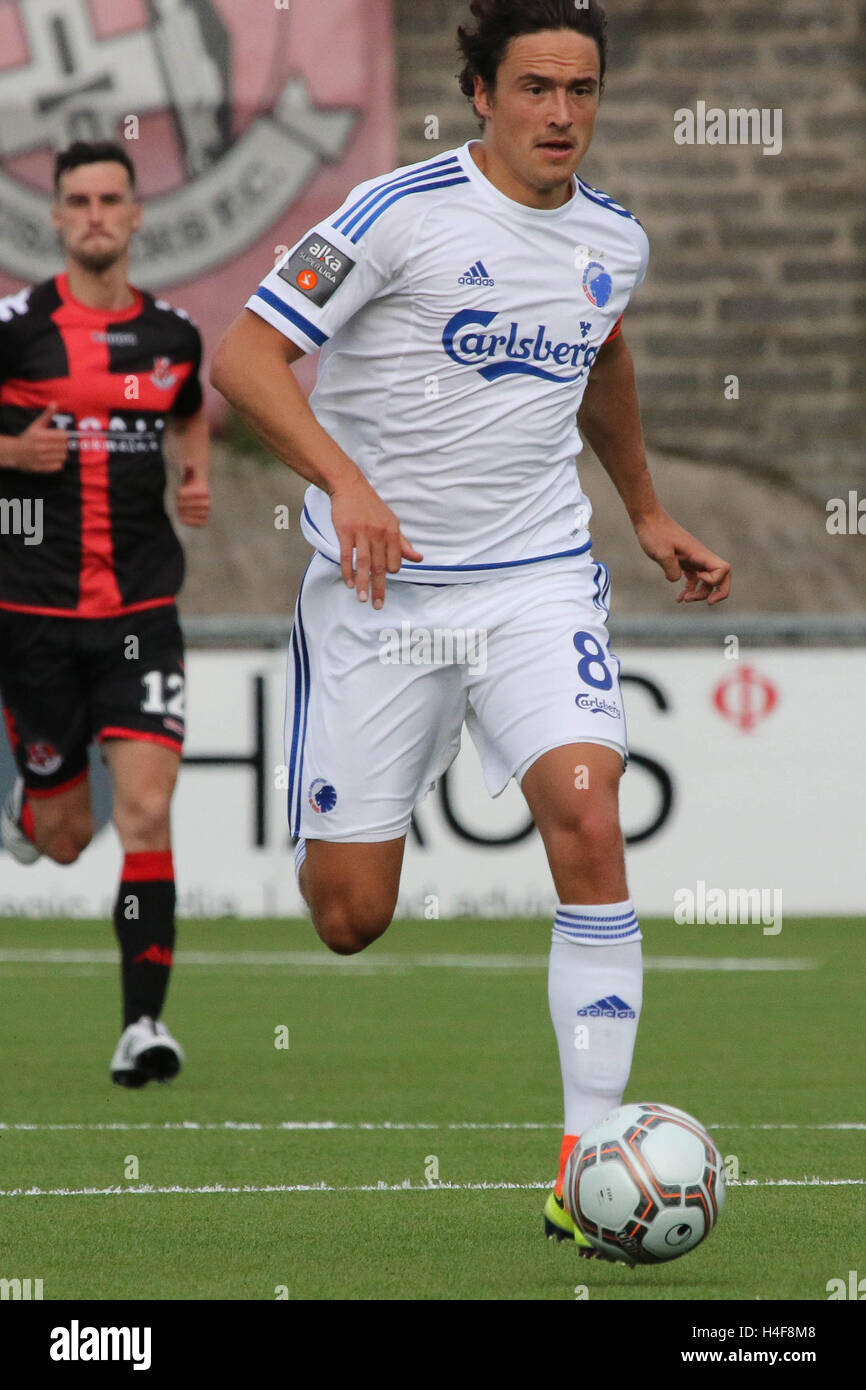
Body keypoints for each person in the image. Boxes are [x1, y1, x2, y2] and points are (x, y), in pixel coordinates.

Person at [210, 0, 730, 1257]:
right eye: (537, 89)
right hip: (386, 601)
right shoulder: (399, 213)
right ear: (483, 94)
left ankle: (582, 1163)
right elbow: (246, 358)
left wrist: (645, 510)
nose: (562, 114)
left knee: (588, 817)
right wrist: (345, 482)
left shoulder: (614, 239)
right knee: (349, 915)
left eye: (582, 91)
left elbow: (600, 358)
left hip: (535, 581)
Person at [0, 140, 210, 1088]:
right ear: (54, 216)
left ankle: (142, 1029)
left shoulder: (171, 336)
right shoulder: (14, 327)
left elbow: (187, 405)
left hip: (141, 611)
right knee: (64, 838)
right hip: (32, 614)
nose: (93, 214)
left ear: (135, 216)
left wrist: (197, 470)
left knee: (147, 810)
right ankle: (29, 794)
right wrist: (10, 459)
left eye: (110, 199)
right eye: (77, 199)